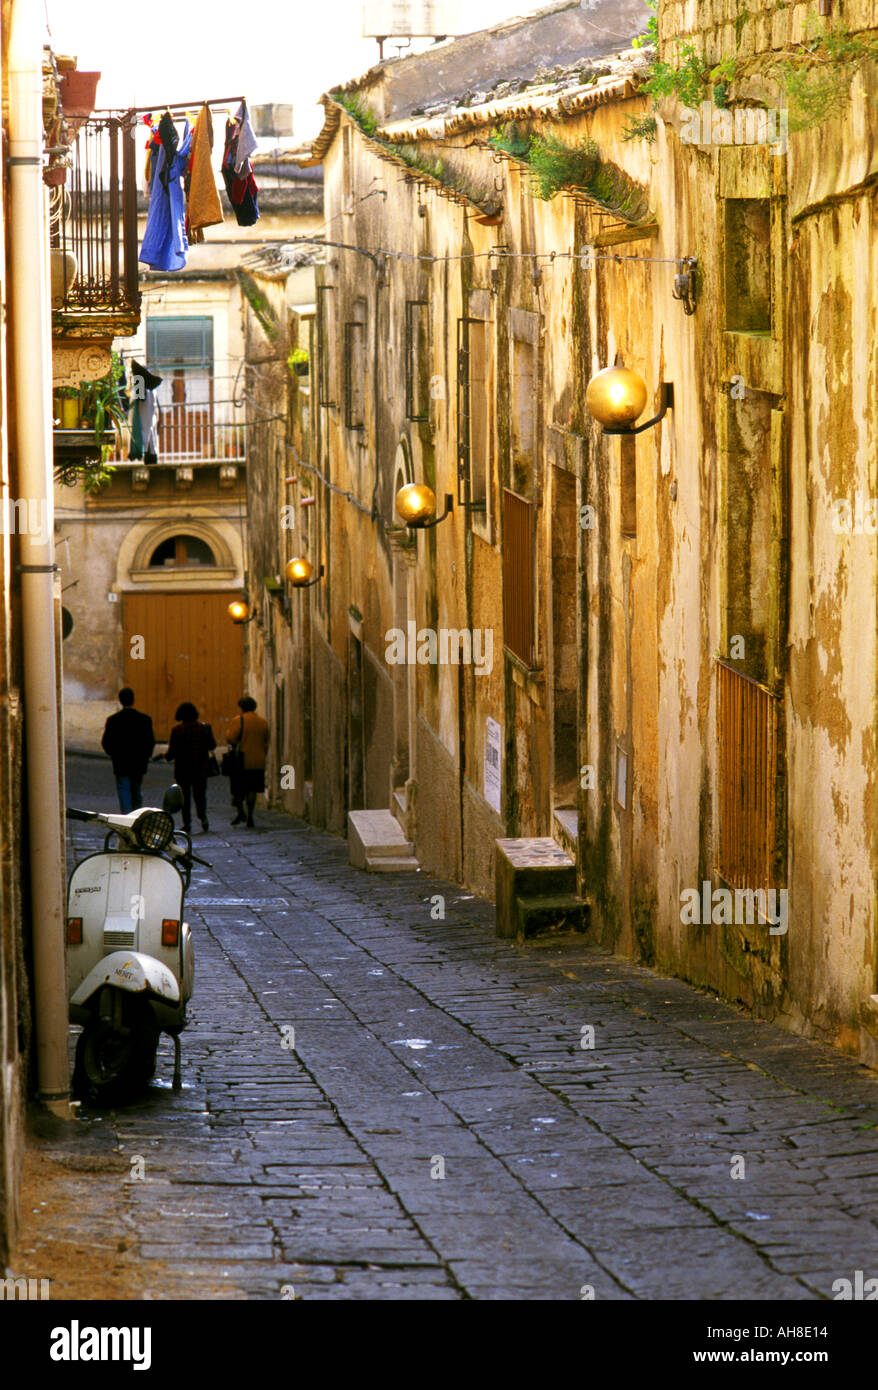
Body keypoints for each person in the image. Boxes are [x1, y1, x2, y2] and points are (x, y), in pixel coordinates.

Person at [101, 688, 155, 813]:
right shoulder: (144, 720)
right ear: (133, 700)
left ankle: (127, 819)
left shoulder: (113, 720)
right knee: (136, 790)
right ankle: (137, 816)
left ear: (120, 701)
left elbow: (106, 743)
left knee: (124, 791)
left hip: (121, 762)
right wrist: (146, 756)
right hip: (138, 762)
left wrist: (114, 754)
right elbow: (150, 742)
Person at [165, 701, 216, 833]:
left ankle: (187, 823)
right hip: (200, 768)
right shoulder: (204, 728)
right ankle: (203, 817)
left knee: (185, 798)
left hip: (183, 769)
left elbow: (172, 752)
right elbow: (212, 745)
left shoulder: (177, 731)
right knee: (200, 796)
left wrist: (165, 756)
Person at [225, 695, 269, 828]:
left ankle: (241, 812)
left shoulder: (239, 720)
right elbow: (266, 742)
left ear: (242, 708)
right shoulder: (263, 722)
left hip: (242, 760)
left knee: (238, 789)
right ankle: (250, 815)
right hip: (258, 761)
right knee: (252, 790)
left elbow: (231, 738)